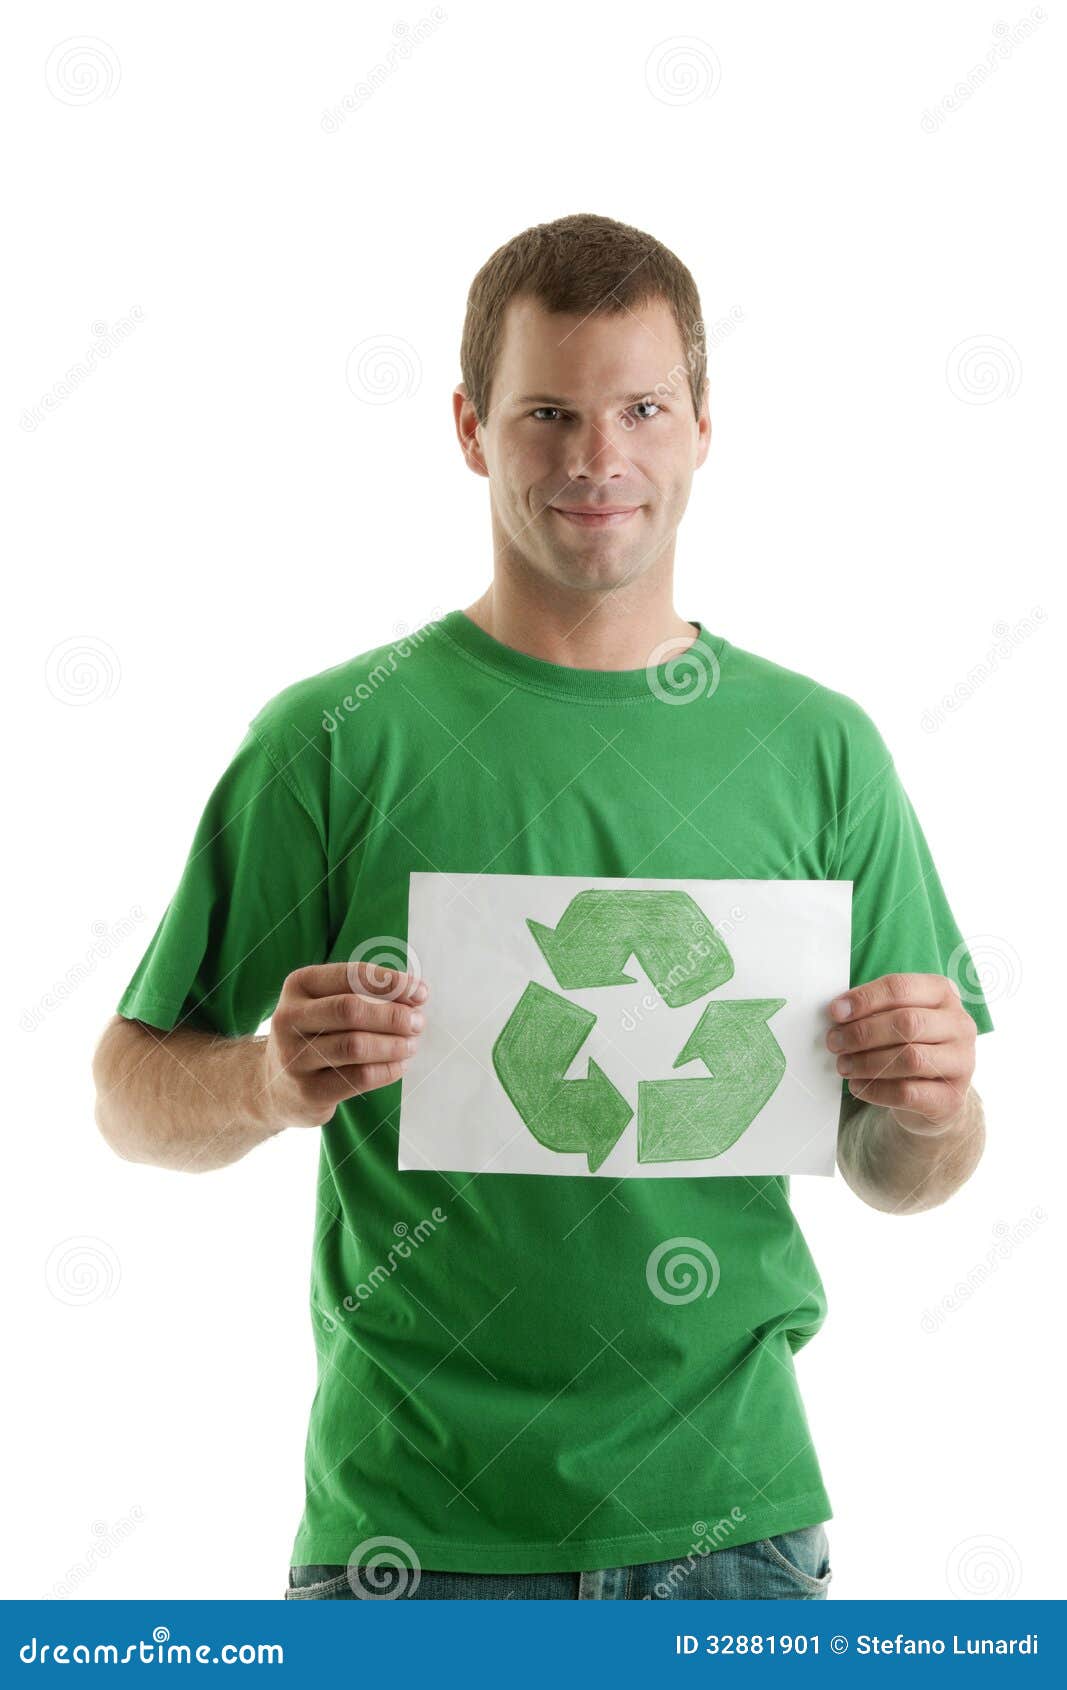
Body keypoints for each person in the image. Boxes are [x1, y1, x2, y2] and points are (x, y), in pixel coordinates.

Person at [92, 213, 993, 1601]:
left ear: (701, 427)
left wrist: (934, 1109)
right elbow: (128, 1095)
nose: (597, 457)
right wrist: (273, 1080)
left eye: (640, 407)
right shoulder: (338, 739)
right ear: (470, 427)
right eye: (549, 413)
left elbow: (898, 1169)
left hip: (731, 1531)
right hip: (410, 1537)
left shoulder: (821, 749)